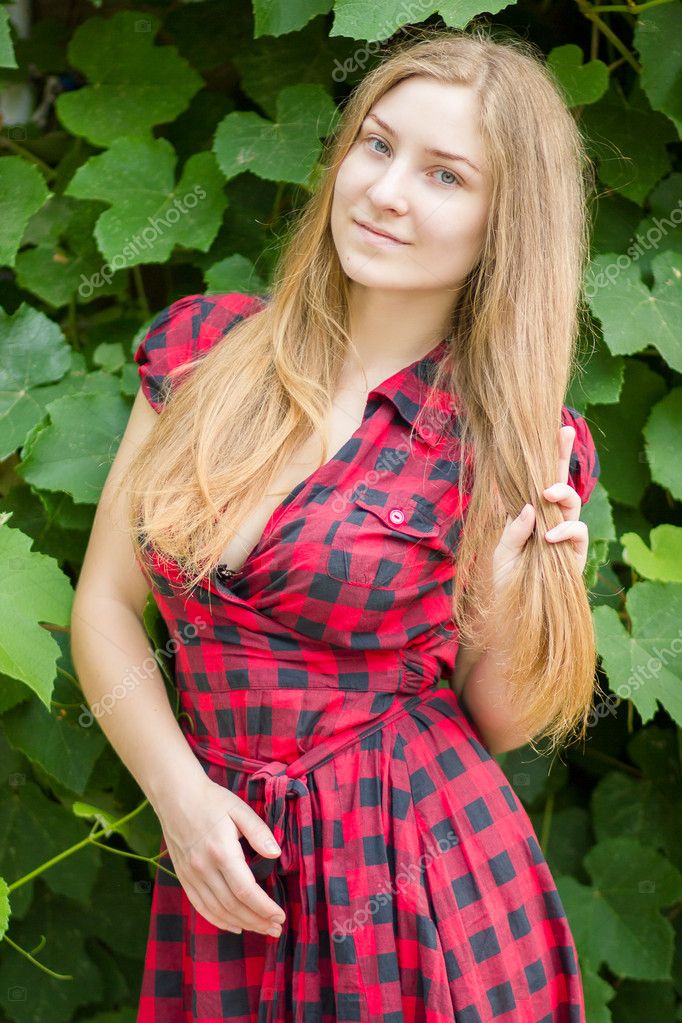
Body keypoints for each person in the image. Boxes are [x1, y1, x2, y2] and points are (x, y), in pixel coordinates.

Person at [71, 25, 602, 1023]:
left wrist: (520, 593)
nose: (386, 191)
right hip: (223, 875)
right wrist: (179, 801)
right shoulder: (201, 349)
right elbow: (105, 603)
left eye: (445, 175)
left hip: (410, 881)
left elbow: (506, 723)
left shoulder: (513, 444)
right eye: (376, 144)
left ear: (505, 225)